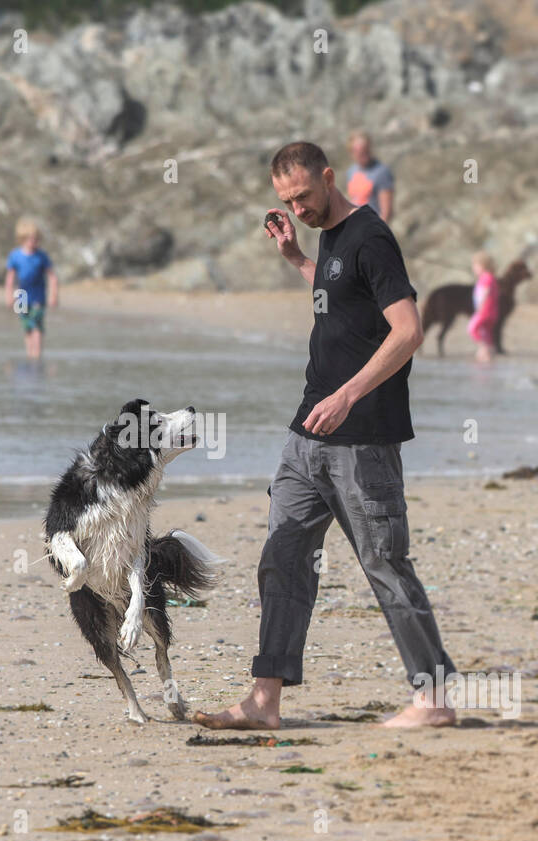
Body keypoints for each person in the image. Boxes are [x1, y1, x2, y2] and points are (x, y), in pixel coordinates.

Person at [193, 141, 457, 732]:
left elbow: (407, 329)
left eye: (304, 197)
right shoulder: (328, 238)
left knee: (385, 564)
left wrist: (348, 395)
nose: (298, 209)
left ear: (330, 178)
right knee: (282, 558)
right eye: (286, 200)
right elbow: (342, 299)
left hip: (361, 438)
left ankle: (434, 698)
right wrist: (295, 258)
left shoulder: (370, 236)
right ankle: (265, 700)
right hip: (306, 434)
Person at [3, 218, 58, 360]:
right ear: (22, 239)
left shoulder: (41, 256)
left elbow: (52, 277)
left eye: (36, 239)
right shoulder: (15, 255)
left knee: (37, 326)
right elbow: (10, 278)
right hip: (21, 295)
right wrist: (9, 296)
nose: (33, 242)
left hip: (37, 295)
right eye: (30, 239)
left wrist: (54, 295)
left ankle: (37, 355)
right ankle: (30, 354)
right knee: (27, 326)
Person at [345, 130, 395, 224]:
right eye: (358, 151)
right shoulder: (351, 172)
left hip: (373, 226)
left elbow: (386, 212)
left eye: (365, 150)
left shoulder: (381, 172)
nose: (362, 154)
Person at [467, 251, 498, 364]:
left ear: (483, 265)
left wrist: (480, 307)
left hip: (485, 311)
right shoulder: (488, 278)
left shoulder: (487, 277)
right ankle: (487, 353)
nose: (473, 268)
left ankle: (484, 349)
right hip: (489, 311)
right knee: (485, 332)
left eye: (475, 265)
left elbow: (485, 292)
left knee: (472, 328)